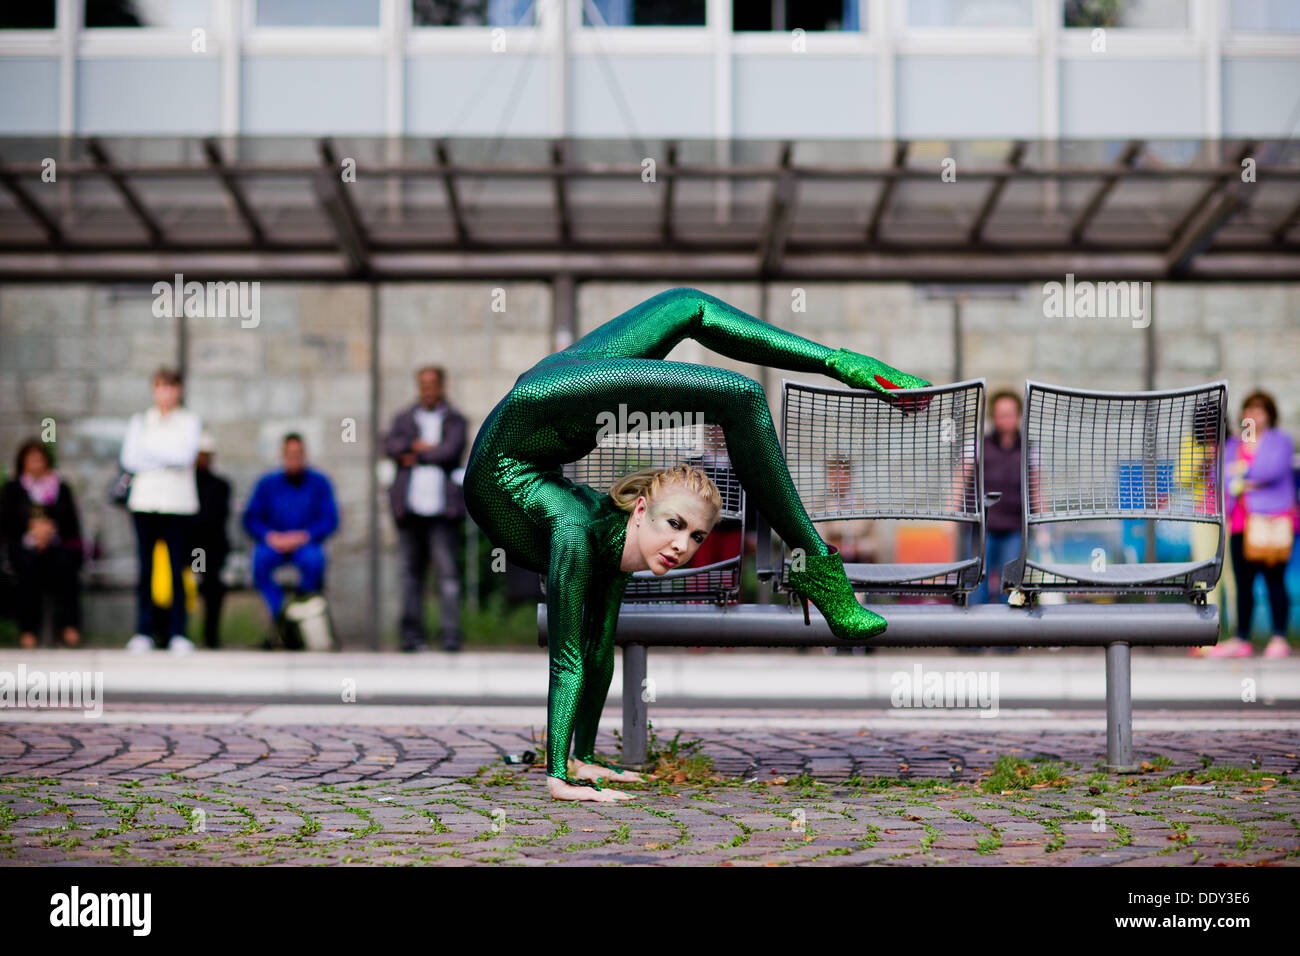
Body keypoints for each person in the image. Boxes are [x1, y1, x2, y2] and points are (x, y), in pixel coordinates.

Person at [462, 286, 932, 802]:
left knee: (688, 305)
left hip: (556, 398)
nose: (682, 547)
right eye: (676, 526)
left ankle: (844, 363)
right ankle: (817, 563)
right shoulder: (574, 533)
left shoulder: (608, 533)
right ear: (640, 509)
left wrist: (586, 761)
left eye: (695, 535)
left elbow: (598, 649)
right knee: (742, 396)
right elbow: (568, 656)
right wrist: (560, 778)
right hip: (549, 406)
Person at [383, 365, 469, 652]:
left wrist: (416, 453)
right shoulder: (405, 418)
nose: (428, 390)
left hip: (443, 512)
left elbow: (451, 450)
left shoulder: (455, 419)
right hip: (409, 511)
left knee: (447, 575)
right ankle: (412, 636)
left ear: (442, 386)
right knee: (410, 575)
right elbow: (390, 445)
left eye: (433, 384)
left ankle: (450, 635)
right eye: (424, 384)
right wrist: (416, 445)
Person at [1207, 391, 1296, 658]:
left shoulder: (1280, 441)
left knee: (1274, 581)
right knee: (1243, 584)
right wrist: (1244, 478)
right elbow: (1219, 474)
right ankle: (1242, 637)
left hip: (1272, 522)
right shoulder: (1235, 444)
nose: (1253, 415)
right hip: (1241, 523)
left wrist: (1243, 479)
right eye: (1249, 409)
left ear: (1269, 414)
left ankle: (1280, 636)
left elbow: (1272, 470)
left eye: (1259, 410)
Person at [120, 366, 202, 654]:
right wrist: (164, 459)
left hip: (177, 505)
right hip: (145, 503)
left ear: (179, 390)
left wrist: (152, 456)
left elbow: (184, 457)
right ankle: (144, 630)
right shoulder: (140, 421)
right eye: (161, 386)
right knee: (145, 569)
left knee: (178, 569)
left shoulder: (190, 422)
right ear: (154, 389)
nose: (166, 393)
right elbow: (130, 460)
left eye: (171, 387)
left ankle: (177, 631)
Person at [242, 433, 339, 635]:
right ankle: (281, 612)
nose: (294, 458)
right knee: (259, 561)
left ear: (304, 455)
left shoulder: (319, 483)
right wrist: (270, 536)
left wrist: (304, 535)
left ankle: (301, 605)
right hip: (274, 544)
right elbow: (251, 518)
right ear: (283, 455)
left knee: (315, 560)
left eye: (298, 454)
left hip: (304, 544)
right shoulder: (267, 484)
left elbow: (330, 519)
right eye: (290, 454)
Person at [0, 440, 85, 648]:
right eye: (32, 460)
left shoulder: (60, 487)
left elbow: (72, 522)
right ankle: (27, 630)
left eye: (40, 459)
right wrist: (32, 529)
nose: (37, 464)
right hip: (24, 547)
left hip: (56, 545)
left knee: (65, 568)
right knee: (25, 571)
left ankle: (69, 627)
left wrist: (48, 530)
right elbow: (7, 522)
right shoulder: (14, 488)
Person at [193, 432, 232, 649]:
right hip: (187, 548)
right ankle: (168, 632)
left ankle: (210, 636)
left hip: (209, 549)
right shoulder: (184, 484)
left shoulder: (220, 486)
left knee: (212, 583)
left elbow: (215, 521)